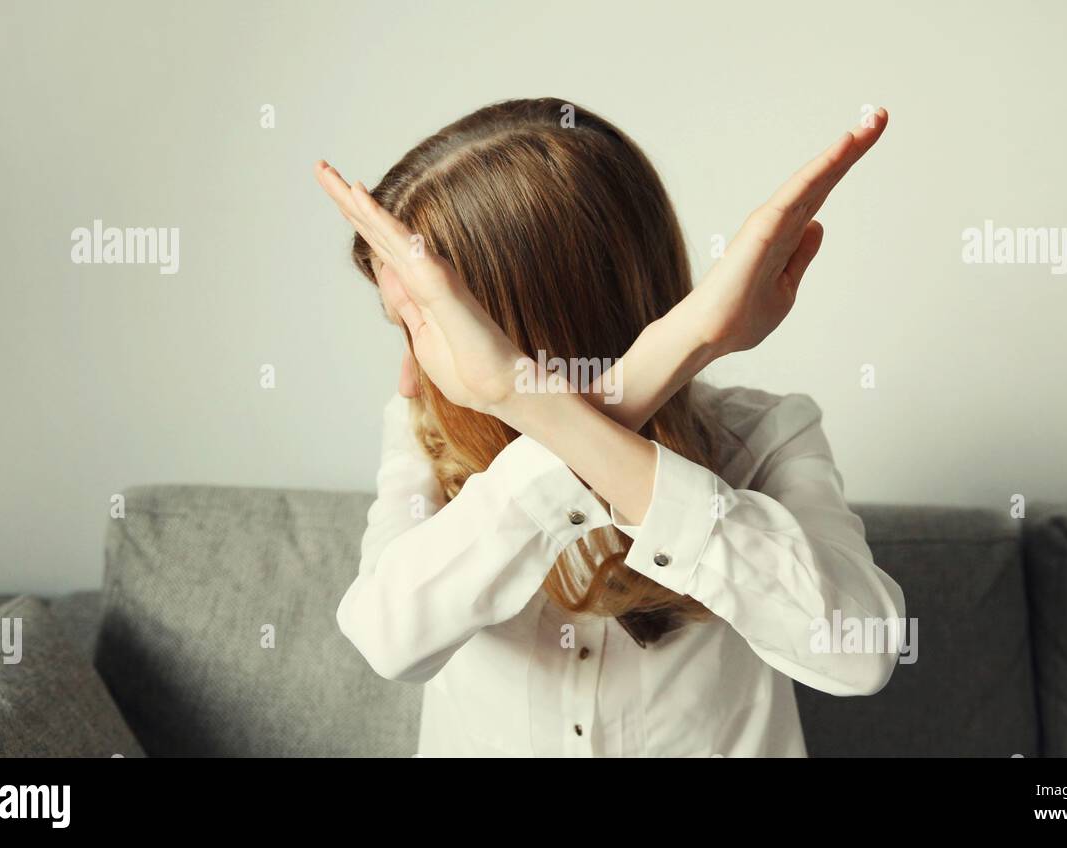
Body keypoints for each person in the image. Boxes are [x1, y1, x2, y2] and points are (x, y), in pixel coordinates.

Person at [317, 98, 904, 757]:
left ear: (533, 322)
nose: (407, 369)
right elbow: (388, 638)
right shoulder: (421, 428)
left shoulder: (767, 434)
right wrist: (671, 352)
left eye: (423, 324)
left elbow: (863, 650)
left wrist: (531, 400)